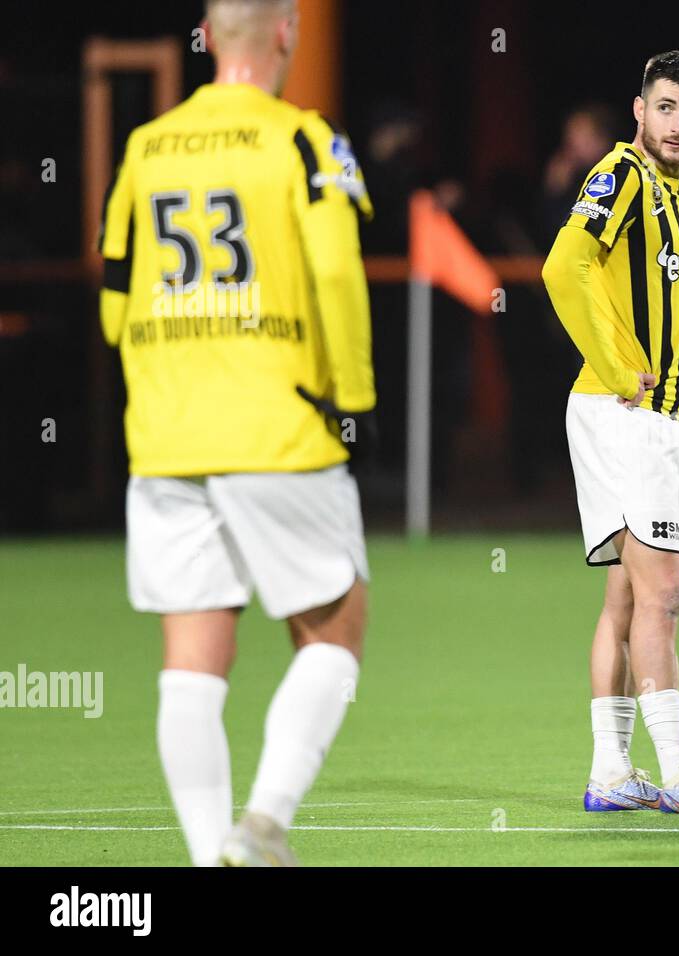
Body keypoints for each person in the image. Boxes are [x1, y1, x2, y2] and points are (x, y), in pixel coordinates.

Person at [98, 0, 376, 865]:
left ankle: (207, 857)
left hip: (168, 434)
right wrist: (353, 396)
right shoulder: (305, 139)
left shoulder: (147, 147)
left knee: (192, 664)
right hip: (277, 423)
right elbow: (335, 271)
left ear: (209, 37)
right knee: (335, 633)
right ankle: (263, 825)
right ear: (286, 33)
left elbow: (113, 299)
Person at [541, 50, 679, 815]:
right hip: (622, 411)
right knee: (667, 594)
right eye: (665, 106)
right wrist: (622, 365)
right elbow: (564, 266)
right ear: (638, 109)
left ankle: (611, 774)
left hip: (645, 416)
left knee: (626, 599)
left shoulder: (673, 192)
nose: (678, 123)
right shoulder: (622, 175)